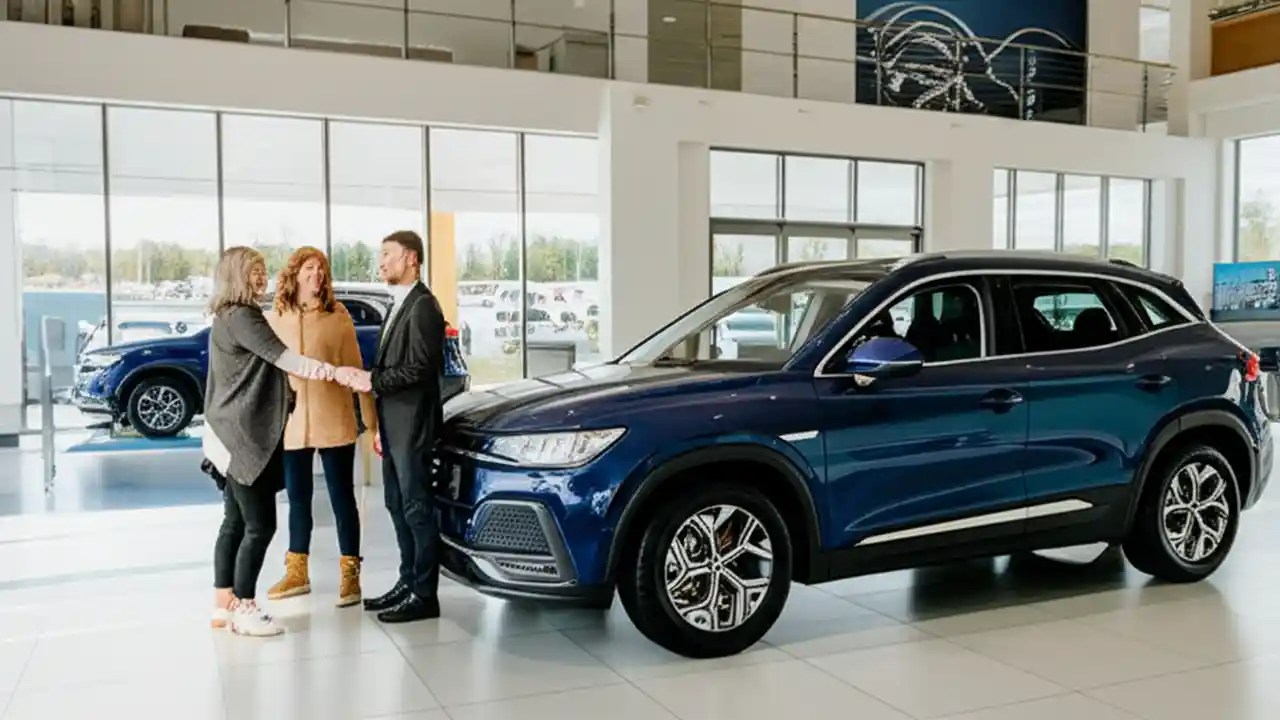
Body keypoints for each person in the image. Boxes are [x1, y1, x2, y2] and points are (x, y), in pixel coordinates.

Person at [204, 246, 337, 637]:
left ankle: (223, 605)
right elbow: (285, 359)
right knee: (260, 525)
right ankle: (245, 607)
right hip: (243, 439)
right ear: (236, 276)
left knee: (234, 521)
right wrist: (337, 373)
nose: (262, 277)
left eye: (263, 270)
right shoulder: (242, 316)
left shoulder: (225, 315)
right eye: (253, 271)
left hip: (224, 433)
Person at [334, 230, 446, 624]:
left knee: (417, 509)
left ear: (411, 258)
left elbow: (420, 369)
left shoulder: (424, 306)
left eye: (388, 255)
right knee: (397, 505)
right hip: (395, 425)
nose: (381, 263)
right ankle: (407, 581)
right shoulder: (400, 303)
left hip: (413, 426)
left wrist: (372, 381)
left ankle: (424, 595)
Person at [264, 246, 378, 608]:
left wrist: (372, 424)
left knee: (342, 498)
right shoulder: (275, 318)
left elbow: (357, 372)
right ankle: (297, 573)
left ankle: (351, 576)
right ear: (295, 274)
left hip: (334, 420)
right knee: (298, 500)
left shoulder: (337, 316)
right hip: (293, 424)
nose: (317, 275)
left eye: (322, 269)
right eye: (309, 268)